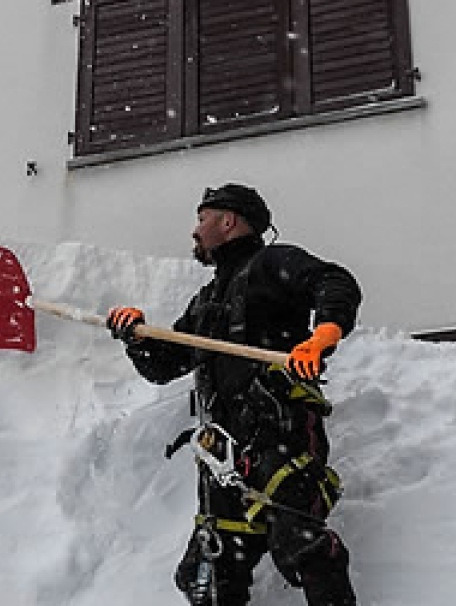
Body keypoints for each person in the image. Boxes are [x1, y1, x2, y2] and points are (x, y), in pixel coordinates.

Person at [105, 184, 361, 606]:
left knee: (301, 544)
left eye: (202, 218)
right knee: (208, 573)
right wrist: (136, 337)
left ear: (228, 221)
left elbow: (334, 282)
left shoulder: (273, 264)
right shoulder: (207, 301)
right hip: (222, 455)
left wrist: (323, 336)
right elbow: (165, 365)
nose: (195, 230)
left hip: (277, 433)